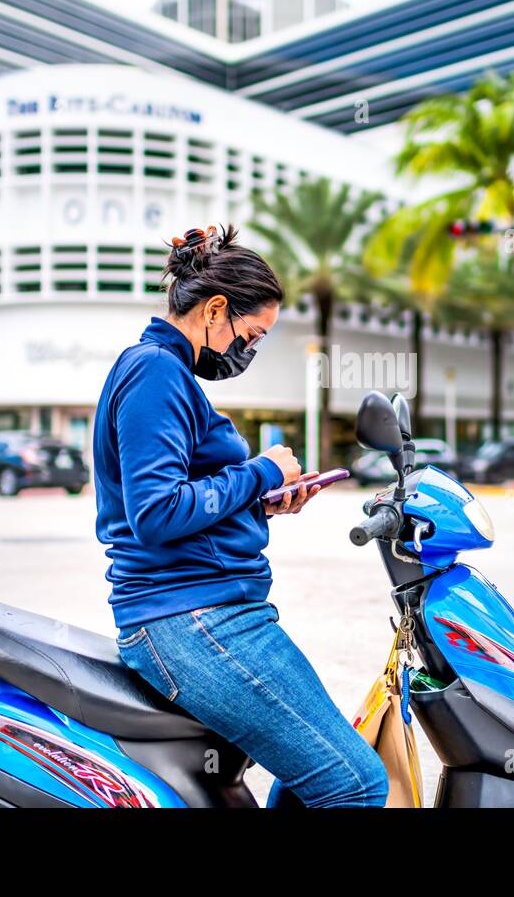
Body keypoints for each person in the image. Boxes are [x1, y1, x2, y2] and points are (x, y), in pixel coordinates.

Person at [93, 224, 388, 809]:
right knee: (353, 784)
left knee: (319, 771)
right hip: (190, 617)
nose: (245, 352)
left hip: (212, 611)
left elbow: (186, 497)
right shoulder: (156, 371)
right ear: (216, 309)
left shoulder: (164, 370)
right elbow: (156, 512)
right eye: (250, 335)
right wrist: (262, 472)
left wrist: (261, 502)